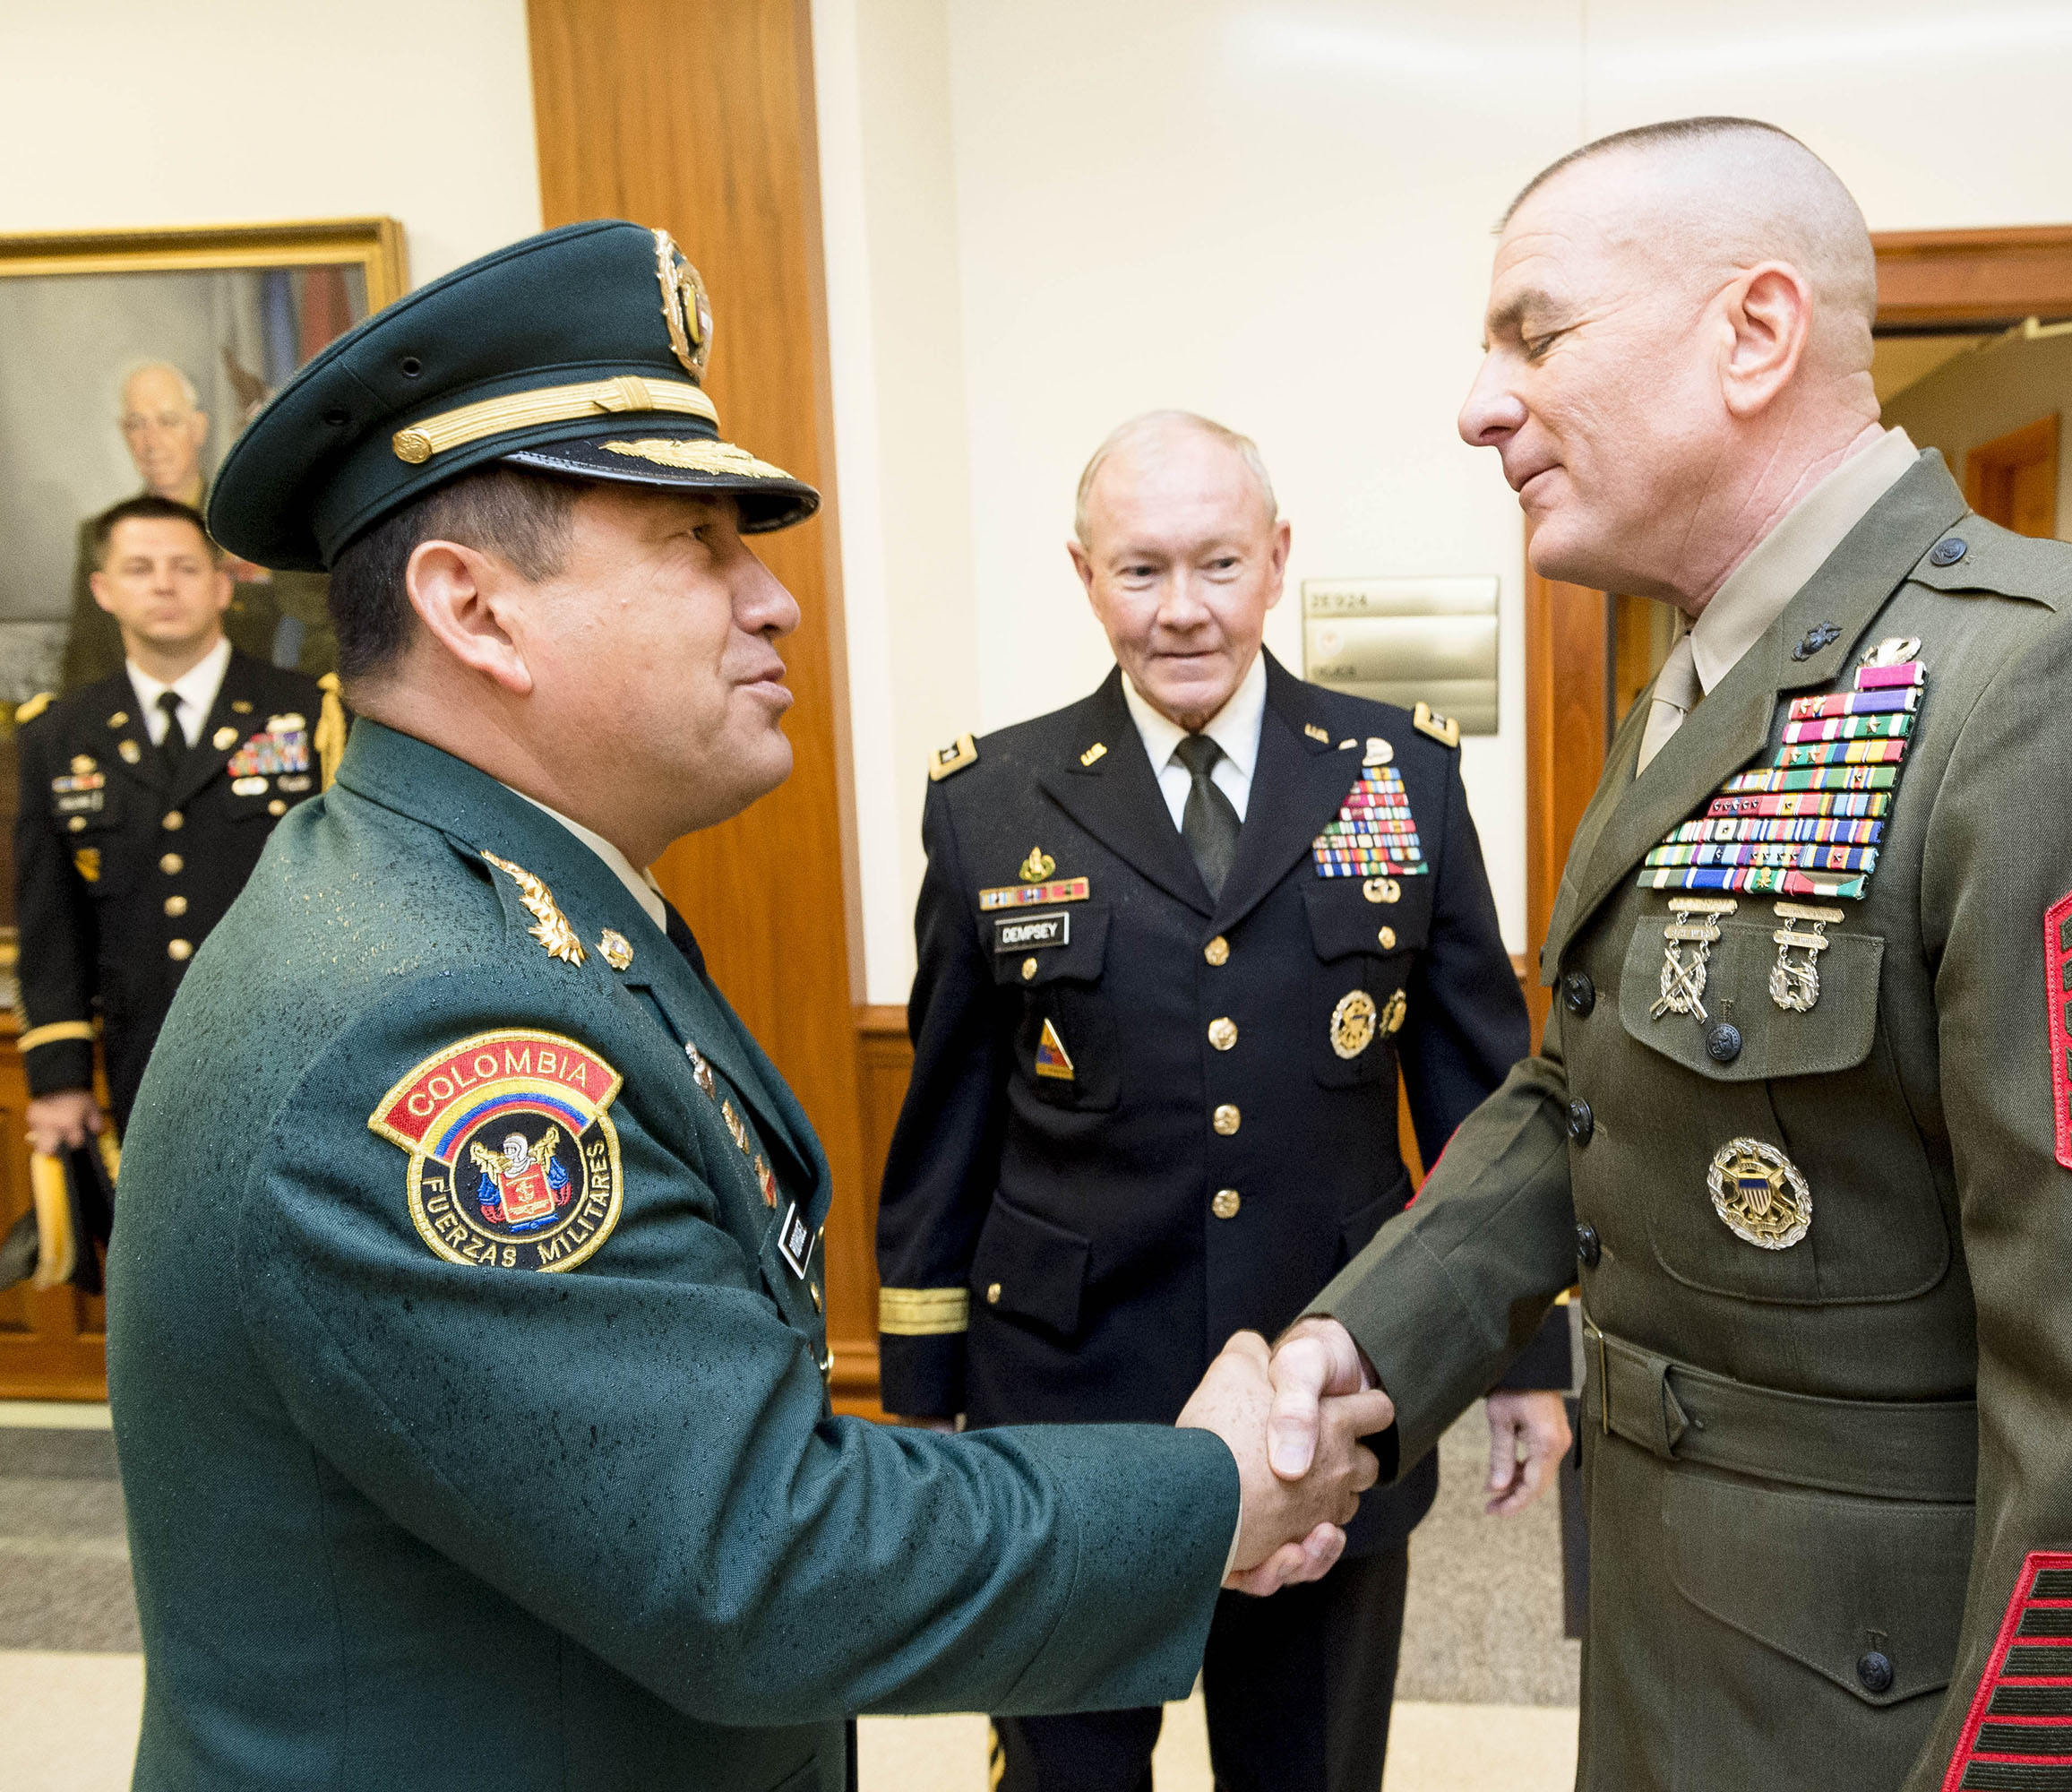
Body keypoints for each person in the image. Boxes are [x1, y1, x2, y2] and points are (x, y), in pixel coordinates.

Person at [107, 219, 1387, 1792]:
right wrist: (1208, 1494)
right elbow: (754, 1555)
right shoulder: (430, 1019)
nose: (770, 601)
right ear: (477, 610)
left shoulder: (519, 910)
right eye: (696, 544)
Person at [1264, 116, 2072, 1789]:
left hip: (1914, 1724)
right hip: (1693, 1666)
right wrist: (1361, 1346)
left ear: (1757, 332)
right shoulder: (1707, 685)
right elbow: (1582, 1096)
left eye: (1535, 333)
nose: (1480, 404)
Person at [876, 409, 1570, 1792]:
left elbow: (1484, 1098)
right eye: (1140, 572)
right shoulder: (990, 800)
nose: (1182, 611)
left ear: (1277, 560)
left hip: (1333, 1372)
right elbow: (947, 1120)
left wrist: (1523, 1356)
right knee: (1069, 1768)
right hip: (1067, 1395)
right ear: (1084, 573)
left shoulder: (1400, 774)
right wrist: (922, 1386)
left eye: (1217, 564)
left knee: (1306, 1764)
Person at [0, 495, 329, 1289]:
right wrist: (59, 1077)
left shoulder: (309, 712)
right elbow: (51, 921)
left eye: (186, 567)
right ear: (104, 589)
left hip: (300, 1049)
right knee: (174, 1281)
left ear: (222, 587)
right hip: (145, 1056)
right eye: (140, 569)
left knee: (304, 1269)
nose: (165, 585)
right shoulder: (59, 735)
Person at [59, 360, 331, 690]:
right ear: (123, 432)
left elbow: (319, 628)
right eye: (136, 424)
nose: (151, 442)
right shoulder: (100, 535)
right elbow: (88, 659)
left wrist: (290, 707)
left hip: (254, 714)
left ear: (198, 428)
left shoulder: (254, 523)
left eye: (168, 422)